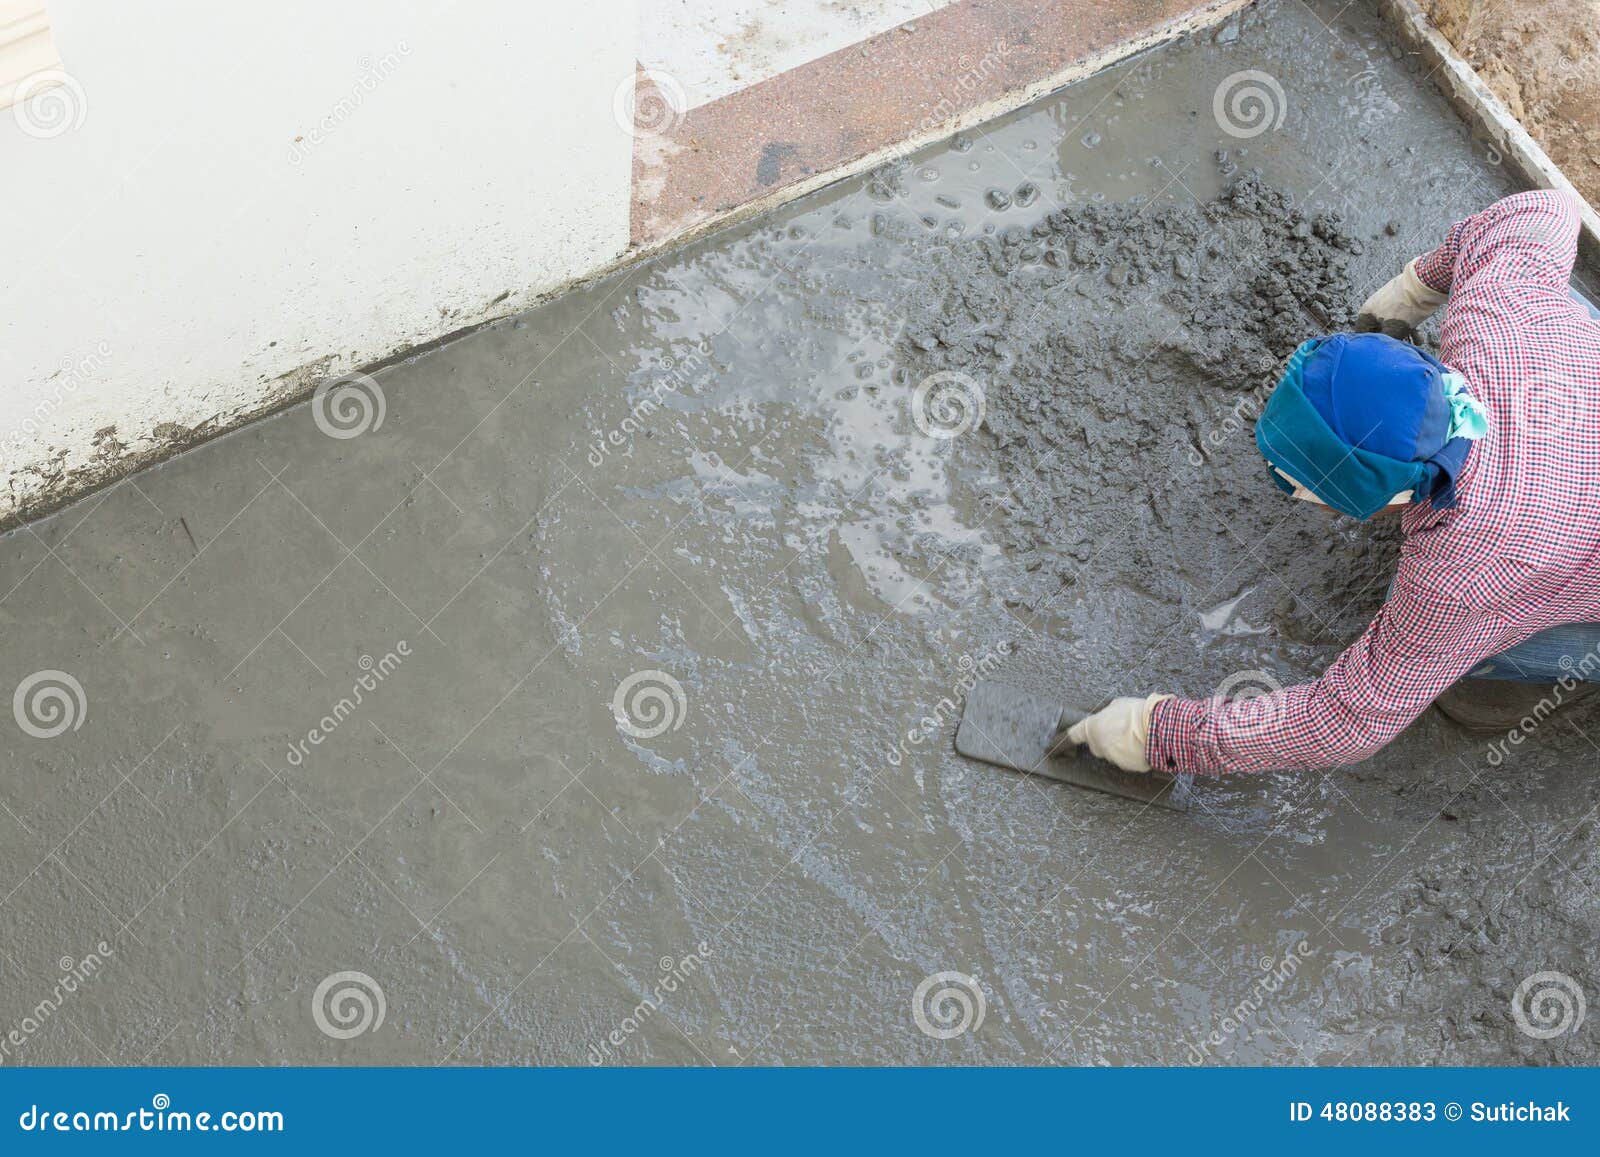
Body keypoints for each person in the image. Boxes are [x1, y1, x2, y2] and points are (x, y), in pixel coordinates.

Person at [1063, 189, 1600, 776]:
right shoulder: (1497, 316)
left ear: (1393, 498)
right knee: (1554, 295)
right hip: (1564, 388)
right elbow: (1548, 208)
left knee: (1463, 665)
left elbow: (1346, 722)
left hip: (1542, 533)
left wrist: (1161, 734)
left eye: (1315, 497)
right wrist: (1420, 283)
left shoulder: (1463, 573)